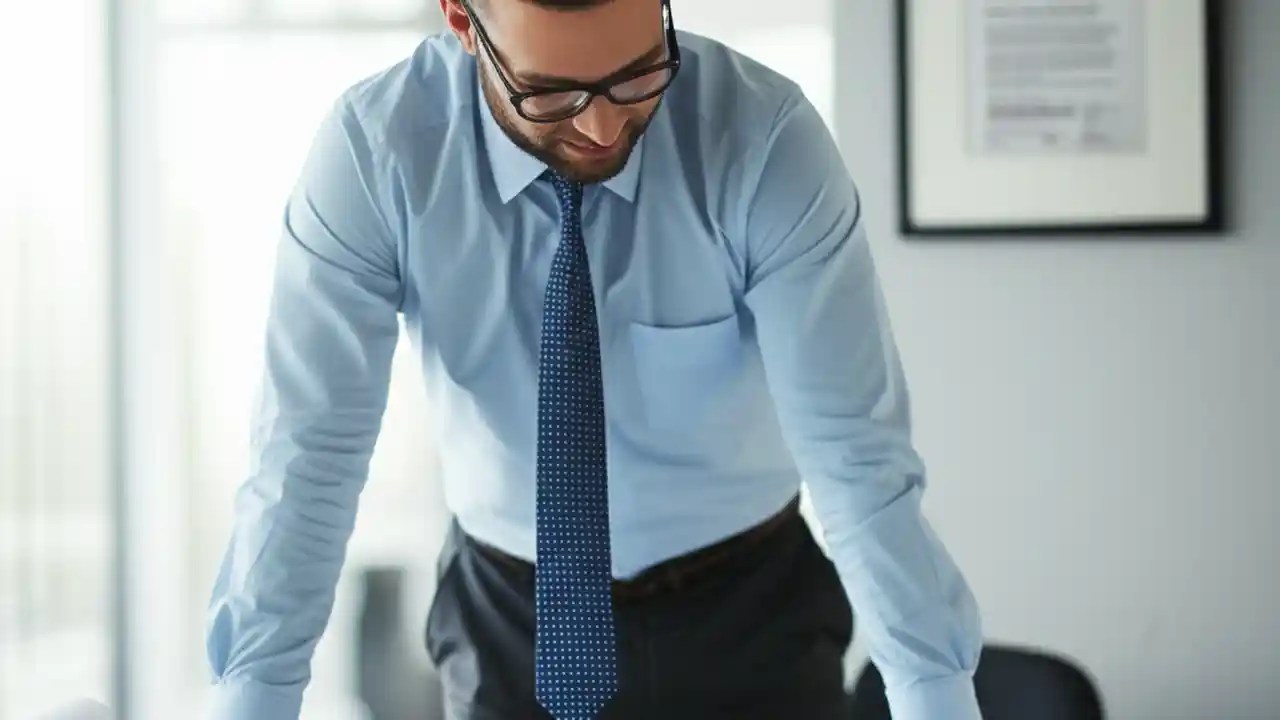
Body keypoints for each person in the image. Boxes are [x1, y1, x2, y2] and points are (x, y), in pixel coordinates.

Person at [204, 0, 984, 718]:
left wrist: (935, 693)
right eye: (551, 94)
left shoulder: (764, 138)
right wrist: (256, 694)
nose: (606, 128)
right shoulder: (377, 154)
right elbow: (306, 459)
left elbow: (856, 458)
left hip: (751, 608)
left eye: (638, 74)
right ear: (461, 19)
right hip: (510, 615)